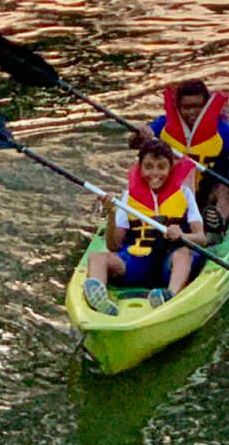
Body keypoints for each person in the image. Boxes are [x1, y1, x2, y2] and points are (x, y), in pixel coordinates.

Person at [82, 132, 206, 315]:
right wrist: (111, 214)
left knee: (184, 253)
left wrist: (182, 236)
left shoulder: (184, 194)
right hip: (136, 261)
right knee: (97, 258)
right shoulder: (129, 197)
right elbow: (113, 245)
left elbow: (201, 238)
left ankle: (170, 296)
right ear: (139, 168)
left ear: (170, 169)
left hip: (169, 264)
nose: (155, 173)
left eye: (161, 167)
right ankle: (100, 303)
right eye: (148, 167)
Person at [149, 79, 229, 238]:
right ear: (178, 107)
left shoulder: (221, 128)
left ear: (205, 106)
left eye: (197, 107)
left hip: (211, 189)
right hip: (177, 189)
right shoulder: (164, 124)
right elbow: (134, 142)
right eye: (186, 107)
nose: (191, 113)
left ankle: (215, 227)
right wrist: (141, 134)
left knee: (226, 189)